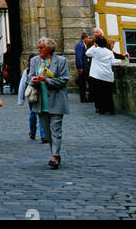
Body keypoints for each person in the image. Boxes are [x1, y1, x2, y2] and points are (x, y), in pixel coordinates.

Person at [27, 38, 70, 168]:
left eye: (41, 47)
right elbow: (29, 78)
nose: (39, 50)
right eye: (38, 47)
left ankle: (55, 156)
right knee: (47, 130)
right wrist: (33, 80)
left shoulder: (61, 61)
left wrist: (47, 81)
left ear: (49, 49)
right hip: (41, 101)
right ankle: (54, 152)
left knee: (56, 129)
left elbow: (64, 79)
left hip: (56, 99)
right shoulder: (34, 61)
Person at [86, 35, 128, 115]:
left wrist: (93, 47)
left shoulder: (95, 51)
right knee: (108, 93)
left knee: (100, 93)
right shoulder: (109, 52)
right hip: (107, 75)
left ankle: (102, 109)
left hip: (97, 75)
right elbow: (112, 62)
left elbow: (87, 53)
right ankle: (111, 109)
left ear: (97, 43)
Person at [18, 51, 47, 142]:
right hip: (39, 92)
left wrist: (21, 99)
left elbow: (22, 85)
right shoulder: (41, 69)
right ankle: (43, 134)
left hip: (31, 94)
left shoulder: (26, 71)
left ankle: (32, 132)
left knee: (33, 113)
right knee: (41, 113)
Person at [75, 32, 92, 103]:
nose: (89, 39)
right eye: (88, 38)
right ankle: (83, 98)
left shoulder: (83, 45)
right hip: (83, 66)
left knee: (84, 82)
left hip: (85, 65)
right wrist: (80, 67)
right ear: (84, 38)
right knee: (82, 83)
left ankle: (85, 97)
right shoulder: (80, 45)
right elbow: (78, 57)